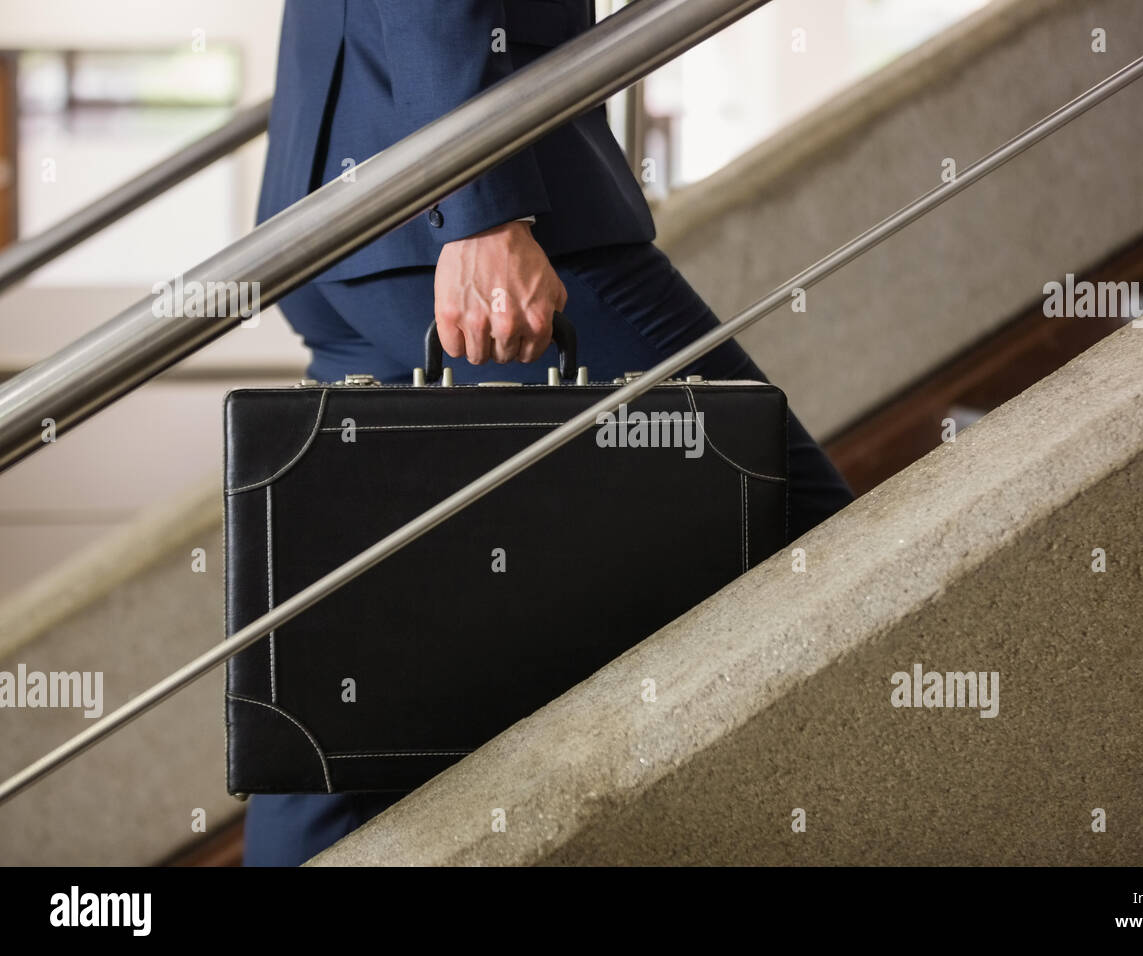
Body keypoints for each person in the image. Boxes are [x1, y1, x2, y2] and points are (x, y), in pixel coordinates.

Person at [242, 0, 854, 866]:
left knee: (337, 699)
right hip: (464, 202)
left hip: (343, 206)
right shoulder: (477, 211)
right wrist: (479, 206)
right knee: (817, 537)